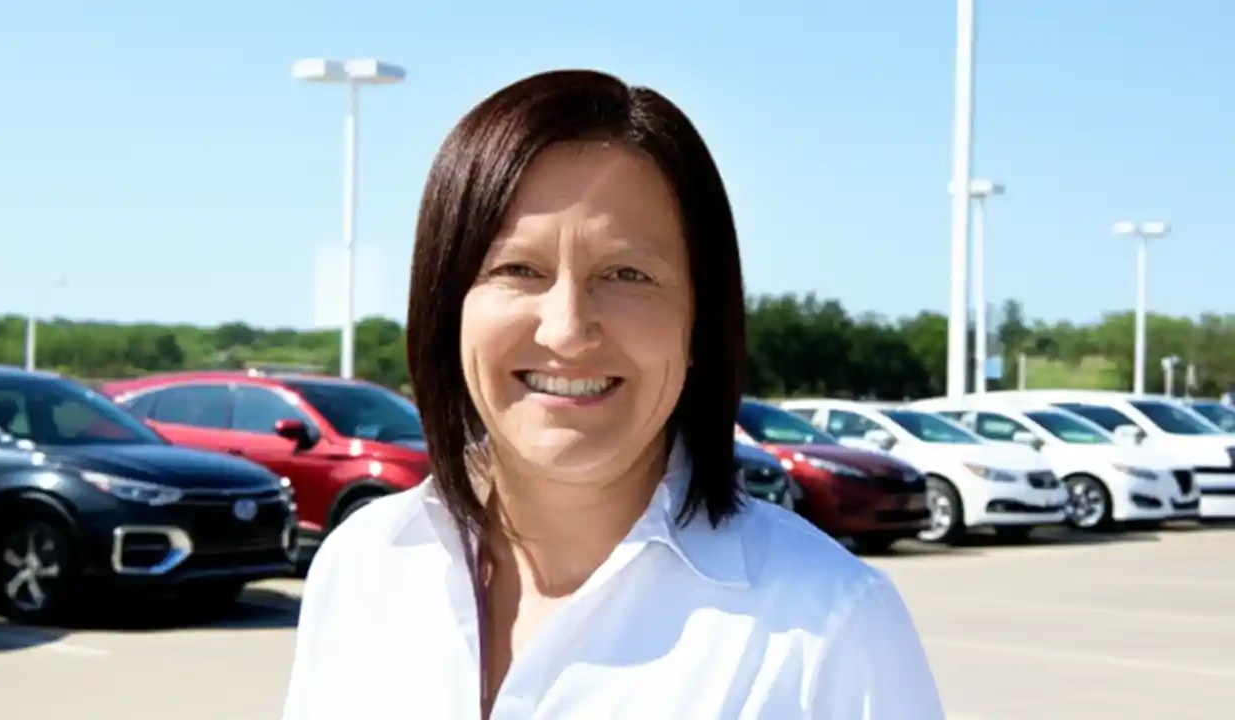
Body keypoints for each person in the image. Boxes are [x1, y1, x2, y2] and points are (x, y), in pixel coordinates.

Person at [281, 68, 944, 719]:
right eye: (518, 269)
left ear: (698, 323)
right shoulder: (363, 565)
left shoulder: (828, 626)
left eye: (627, 273)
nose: (567, 329)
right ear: (446, 305)